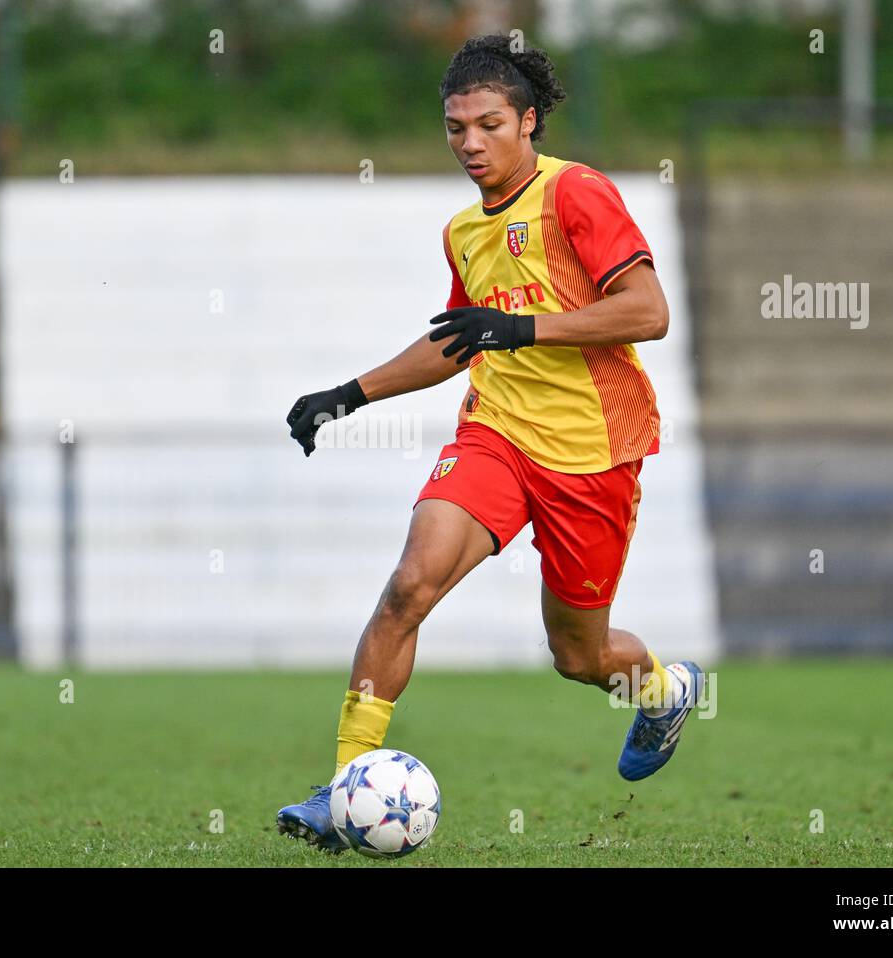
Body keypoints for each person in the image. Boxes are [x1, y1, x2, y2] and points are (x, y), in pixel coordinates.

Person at [277, 35, 703, 854]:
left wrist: (521, 327)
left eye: (489, 124)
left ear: (529, 122)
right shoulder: (464, 232)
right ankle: (344, 788)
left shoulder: (576, 194)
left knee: (579, 657)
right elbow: (461, 341)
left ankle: (662, 687)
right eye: (454, 128)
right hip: (497, 436)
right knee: (408, 586)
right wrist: (348, 394)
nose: (470, 143)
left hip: (591, 456)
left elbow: (648, 311)